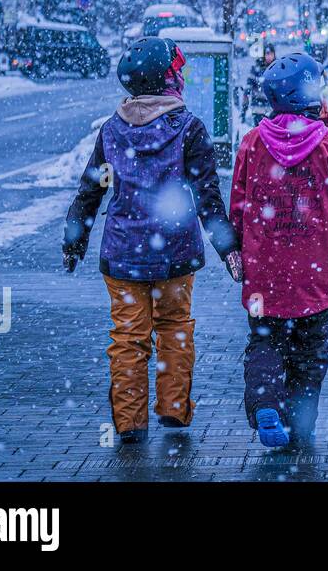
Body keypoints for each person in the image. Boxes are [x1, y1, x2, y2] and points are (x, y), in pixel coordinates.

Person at [62, 37, 241, 445]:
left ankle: (129, 423)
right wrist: (228, 248)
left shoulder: (111, 131)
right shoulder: (190, 130)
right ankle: (174, 410)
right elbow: (207, 197)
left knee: (128, 337)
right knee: (174, 328)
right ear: (168, 79)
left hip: (123, 255)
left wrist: (75, 238)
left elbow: (92, 189)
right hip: (174, 254)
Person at [231, 52, 328, 448]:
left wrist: (239, 249)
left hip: (263, 275)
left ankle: (267, 402)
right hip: (315, 274)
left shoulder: (253, 144)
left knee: (263, 340)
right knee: (310, 350)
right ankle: (302, 423)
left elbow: (238, 204)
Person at [242, 42, 276, 126]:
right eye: (267, 54)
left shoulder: (277, 68)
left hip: (272, 109)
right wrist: (244, 107)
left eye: (271, 54)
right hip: (258, 108)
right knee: (259, 132)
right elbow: (248, 87)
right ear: (263, 54)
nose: (269, 56)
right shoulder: (257, 69)